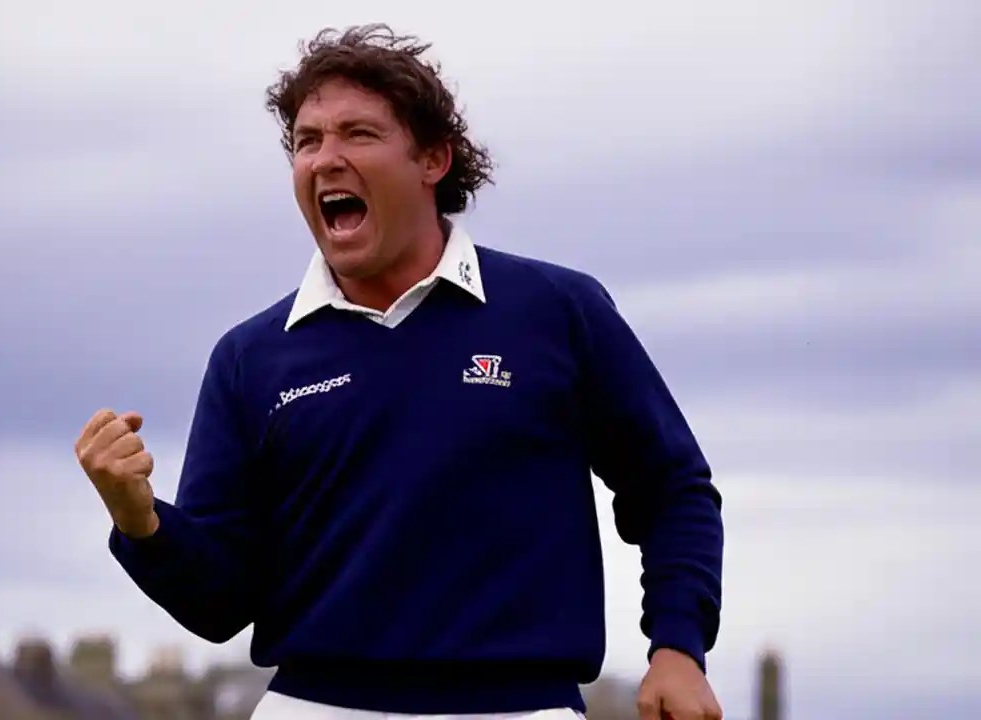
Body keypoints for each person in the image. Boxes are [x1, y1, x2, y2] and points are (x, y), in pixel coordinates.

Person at [74, 24, 724, 720]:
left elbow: (672, 488)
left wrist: (678, 646)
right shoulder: (249, 357)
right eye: (307, 141)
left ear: (434, 159)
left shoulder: (557, 312)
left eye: (359, 133)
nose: (326, 158)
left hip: (520, 707)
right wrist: (139, 520)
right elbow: (219, 603)